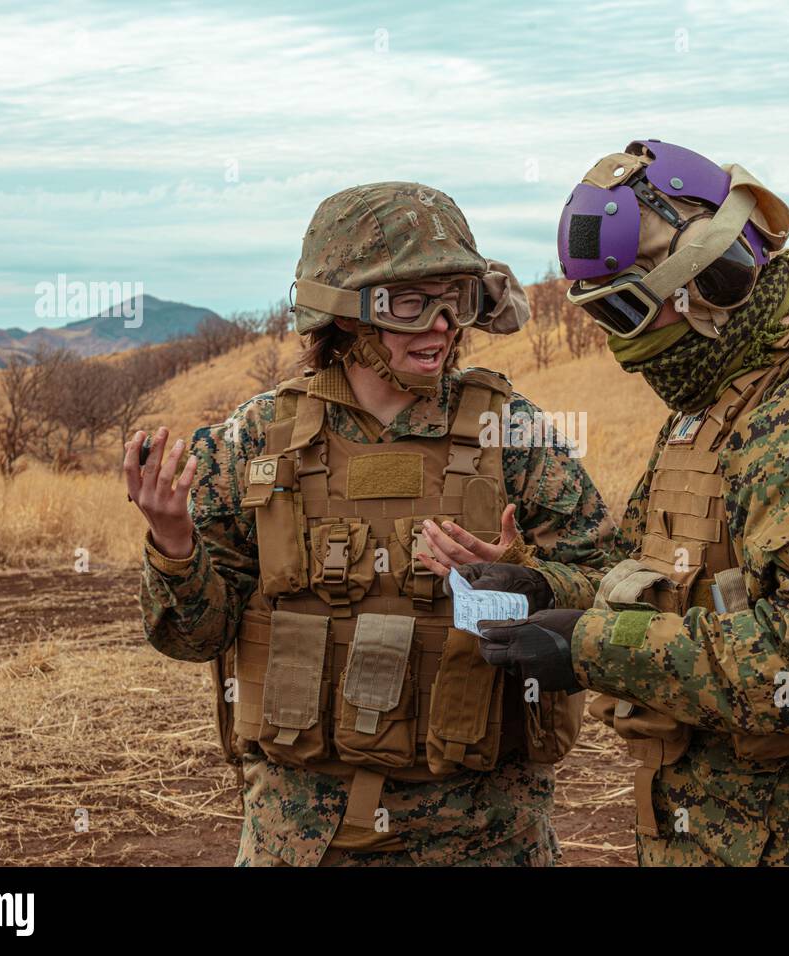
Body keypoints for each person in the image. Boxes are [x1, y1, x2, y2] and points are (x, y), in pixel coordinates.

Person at [470, 140, 789, 866]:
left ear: (713, 279)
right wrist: (545, 590)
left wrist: (587, 648)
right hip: (725, 824)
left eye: (626, 311)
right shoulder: (719, 401)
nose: (623, 348)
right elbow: (657, 581)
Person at [126, 182, 615, 866]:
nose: (443, 324)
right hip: (302, 837)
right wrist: (174, 544)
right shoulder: (256, 441)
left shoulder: (513, 433)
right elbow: (192, 637)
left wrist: (527, 581)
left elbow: (617, 592)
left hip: (485, 833)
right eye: (413, 303)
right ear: (345, 314)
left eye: (457, 299)